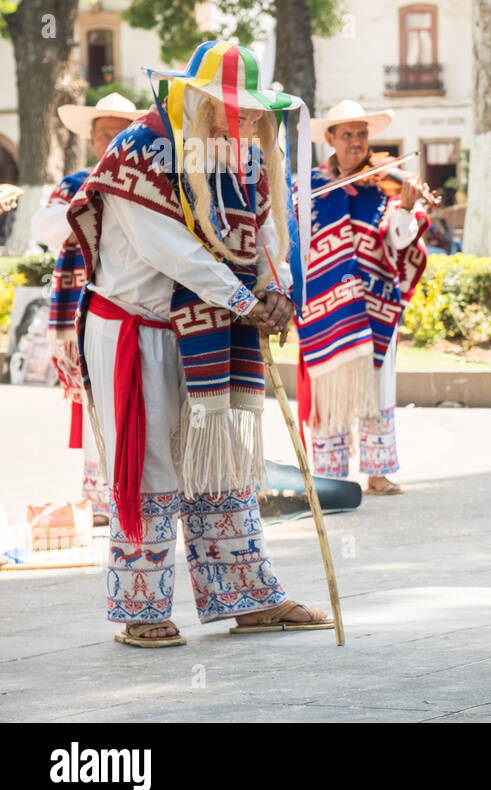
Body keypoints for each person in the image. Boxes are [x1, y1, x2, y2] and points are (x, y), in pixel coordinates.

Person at [67, 40, 331, 647]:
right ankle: (141, 608)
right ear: (193, 93)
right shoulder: (139, 148)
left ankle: (249, 594)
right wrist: (247, 302)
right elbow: (170, 250)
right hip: (136, 328)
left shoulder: (242, 157)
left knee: (221, 460)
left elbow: (267, 232)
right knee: (154, 461)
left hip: (210, 325)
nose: (238, 120)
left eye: (249, 113)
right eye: (226, 107)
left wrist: (278, 290)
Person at [298, 100, 430, 495]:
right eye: (347, 135)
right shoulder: (309, 188)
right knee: (329, 382)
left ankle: (377, 472)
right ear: (330, 139)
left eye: (362, 134)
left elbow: (400, 240)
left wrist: (407, 209)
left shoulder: (386, 185)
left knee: (378, 385)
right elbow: (296, 240)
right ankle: (331, 475)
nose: (356, 142)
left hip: (375, 300)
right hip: (325, 302)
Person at [32, 93, 141, 525]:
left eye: (121, 135)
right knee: (95, 401)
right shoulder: (75, 182)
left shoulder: (143, 182)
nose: (112, 142)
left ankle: (135, 493)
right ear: (95, 141)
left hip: (130, 308)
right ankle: (100, 499)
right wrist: (91, 196)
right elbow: (46, 229)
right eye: (105, 135)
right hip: (83, 311)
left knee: (131, 399)